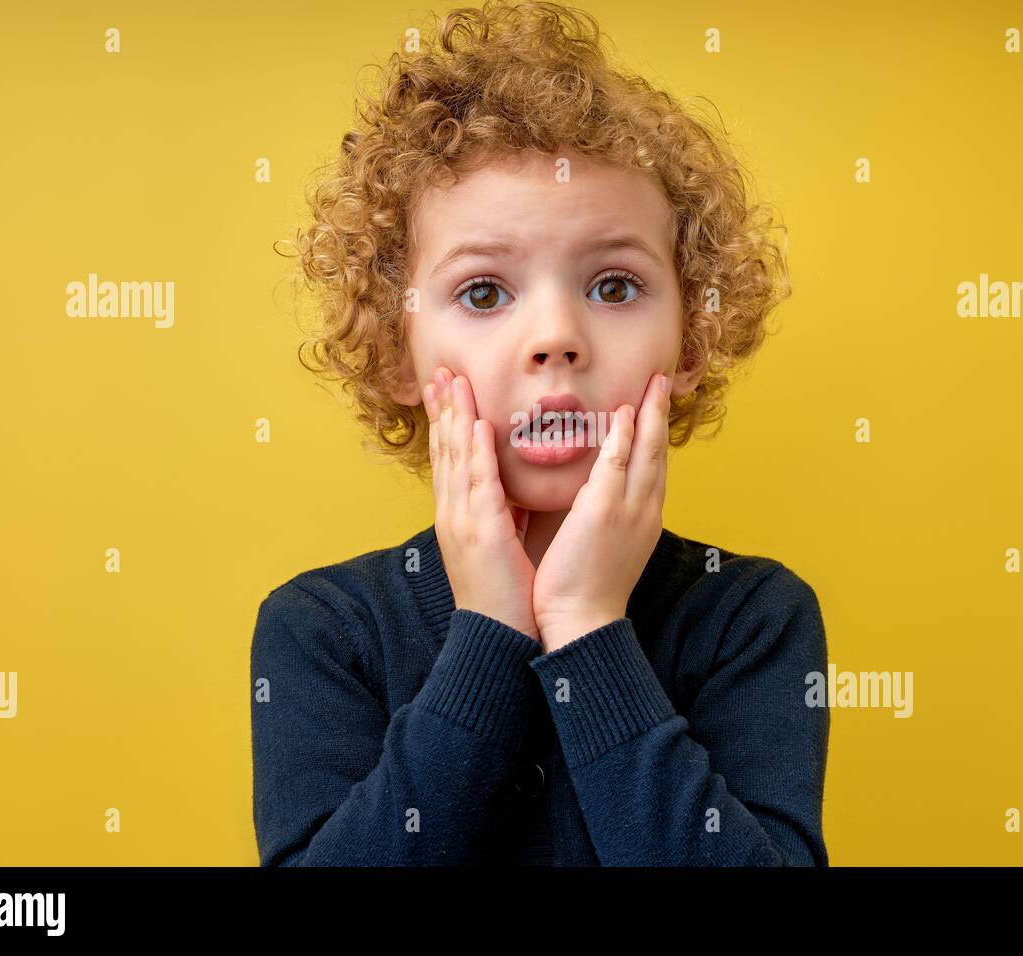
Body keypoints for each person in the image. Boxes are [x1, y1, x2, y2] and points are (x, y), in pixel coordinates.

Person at [250, 0, 829, 866]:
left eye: (615, 287)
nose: (556, 337)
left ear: (692, 340)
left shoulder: (751, 619)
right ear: (395, 349)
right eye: (484, 293)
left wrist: (588, 625)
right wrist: (489, 629)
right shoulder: (324, 631)